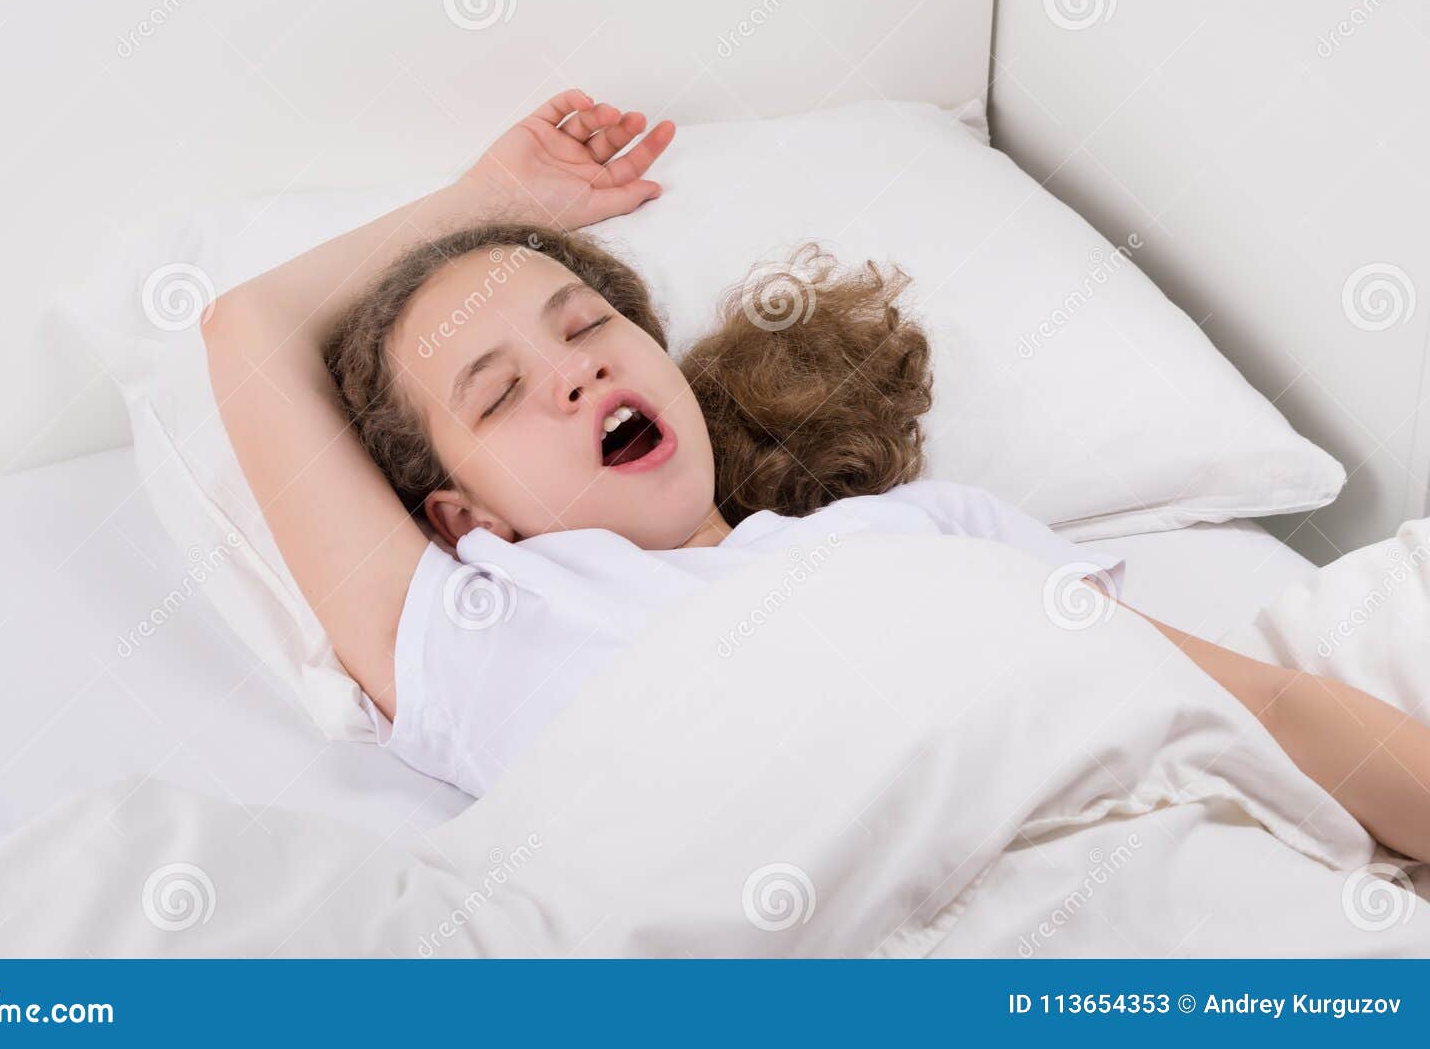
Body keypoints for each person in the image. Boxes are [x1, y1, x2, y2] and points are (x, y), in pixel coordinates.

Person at [204, 89, 1430, 862]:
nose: (574, 373)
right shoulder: (481, 627)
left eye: (586, 326)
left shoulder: (930, 530)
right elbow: (245, 331)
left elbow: (1250, 708)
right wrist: (489, 201)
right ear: (462, 515)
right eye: (498, 390)